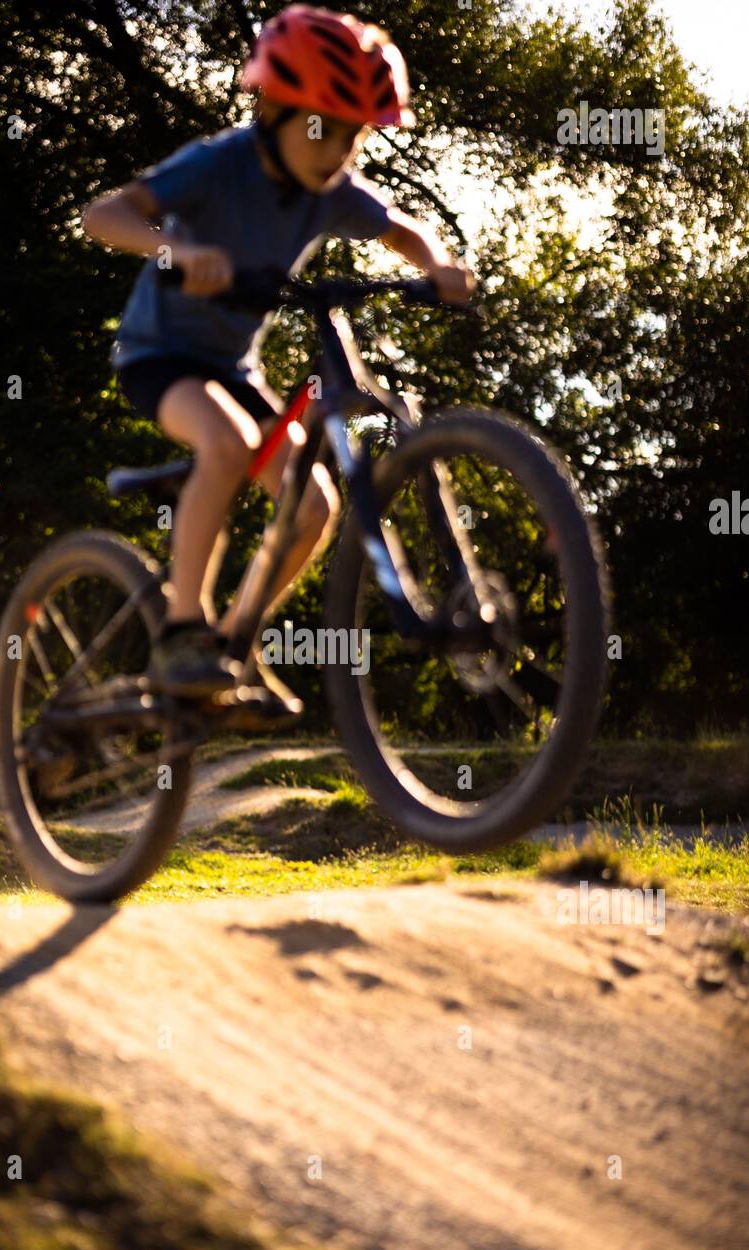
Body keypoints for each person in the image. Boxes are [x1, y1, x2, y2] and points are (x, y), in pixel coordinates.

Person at [82, 3, 475, 722]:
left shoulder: (329, 192)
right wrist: (175, 249)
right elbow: (101, 216)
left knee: (315, 504)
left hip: (234, 368)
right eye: (325, 126)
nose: (338, 150)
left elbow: (404, 231)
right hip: (159, 355)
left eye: (355, 134)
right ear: (273, 109)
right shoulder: (217, 163)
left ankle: (230, 649)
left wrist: (439, 265)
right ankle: (180, 630)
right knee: (227, 443)